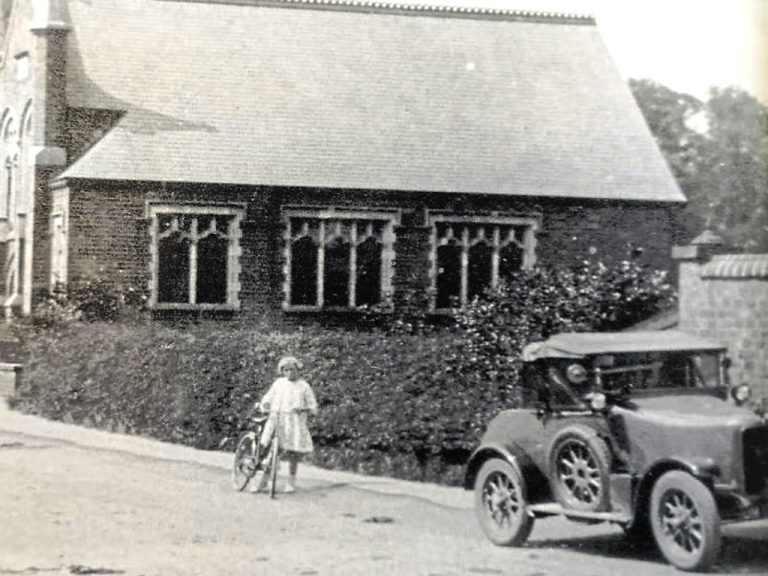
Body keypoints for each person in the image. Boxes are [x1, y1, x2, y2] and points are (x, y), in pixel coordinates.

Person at [252, 355, 318, 493]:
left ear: (297, 370)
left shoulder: (304, 386)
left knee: (293, 453)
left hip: (294, 422)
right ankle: (263, 481)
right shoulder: (279, 383)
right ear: (282, 371)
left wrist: (303, 409)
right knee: (272, 451)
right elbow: (268, 397)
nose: (289, 373)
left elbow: (313, 407)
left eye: (292, 370)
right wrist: (265, 404)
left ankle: (291, 482)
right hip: (277, 419)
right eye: (286, 370)